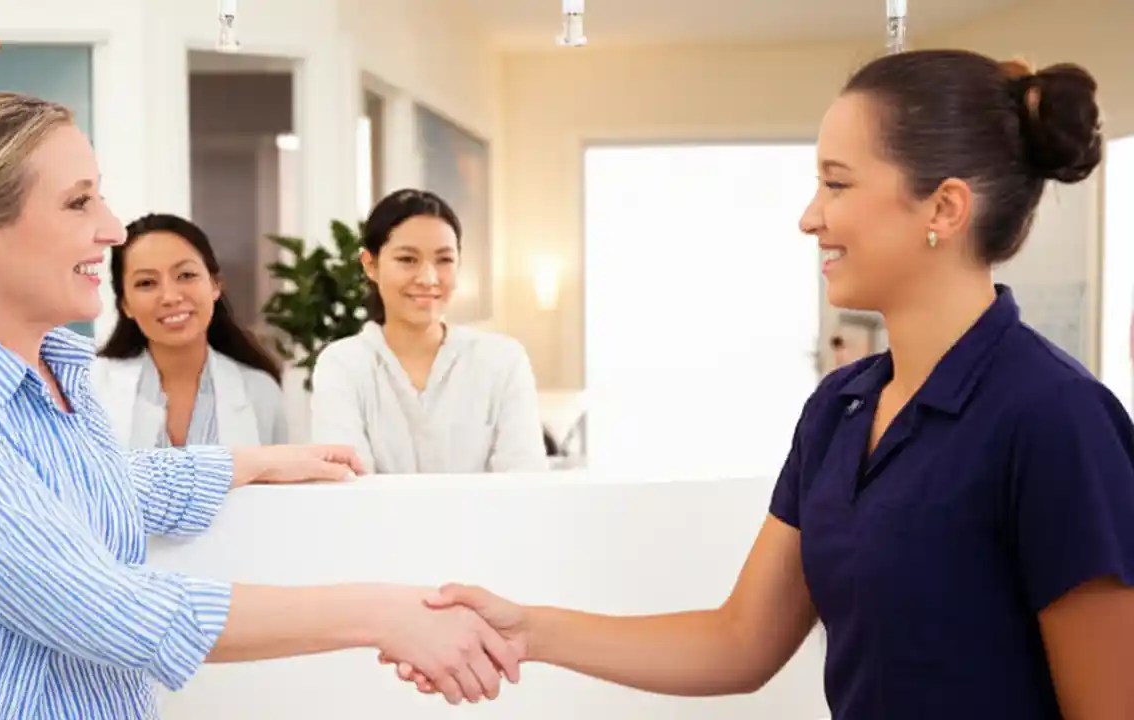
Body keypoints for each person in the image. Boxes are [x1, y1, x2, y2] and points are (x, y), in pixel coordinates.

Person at [387, 51, 1134, 718]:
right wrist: (532, 629)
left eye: (836, 184)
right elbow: (740, 641)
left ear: (943, 207)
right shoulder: (841, 409)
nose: (811, 217)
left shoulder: (1056, 418)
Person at [0, 91, 516, 718]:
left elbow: (91, 487)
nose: (111, 229)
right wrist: (384, 614)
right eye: (78, 203)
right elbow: (109, 609)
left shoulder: (55, 375)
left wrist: (248, 462)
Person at [309, 188, 548, 474]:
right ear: (370, 265)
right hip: (374, 521)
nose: (428, 278)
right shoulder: (342, 364)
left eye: (444, 260)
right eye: (407, 259)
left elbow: (524, 480)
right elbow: (347, 485)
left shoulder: (502, 360)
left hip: (487, 521)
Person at [92, 213, 288, 448]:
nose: (171, 297)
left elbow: (278, 483)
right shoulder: (91, 388)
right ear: (126, 304)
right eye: (147, 283)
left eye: (186, 275)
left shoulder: (260, 391)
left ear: (215, 285)